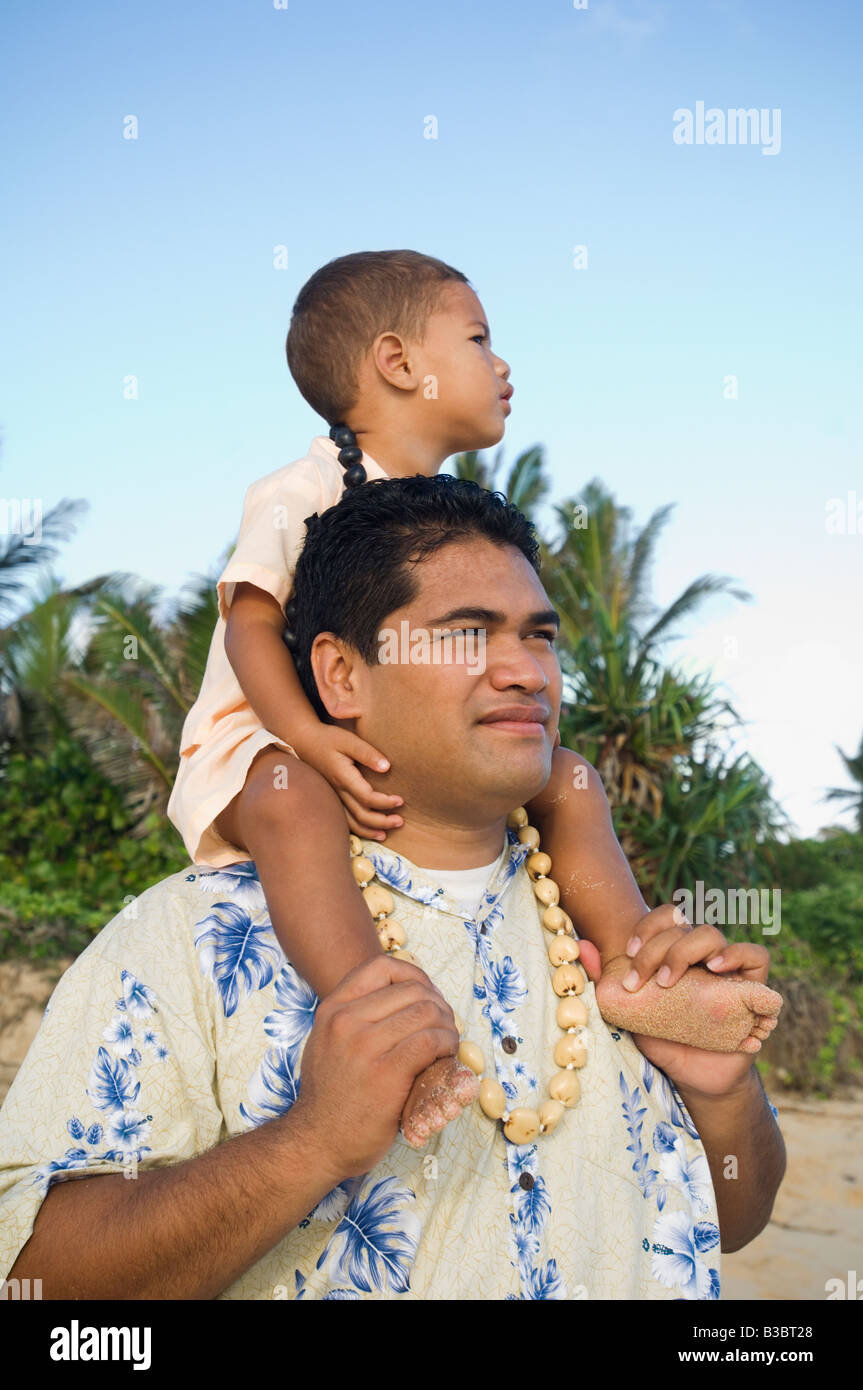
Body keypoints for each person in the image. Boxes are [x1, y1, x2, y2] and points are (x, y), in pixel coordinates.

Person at [0, 477, 786, 1300]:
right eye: (466, 636)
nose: (525, 671)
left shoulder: (616, 944)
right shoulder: (195, 934)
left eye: (539, 636)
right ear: (340, 675)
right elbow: (37, 1284)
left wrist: (722, 1091)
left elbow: (733, 1219)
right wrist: (307, 1144)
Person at [165, 248, 781, 1148]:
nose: (501, 365)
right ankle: (387, 1028)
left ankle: (646, 969)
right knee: (290, 802)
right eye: (479, 337)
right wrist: (304, 734)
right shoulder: (298, 492)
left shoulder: (459, 515)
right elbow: (251, 627)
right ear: (398, 362)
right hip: (265, 741)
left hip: (379, 741)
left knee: (567, 779)